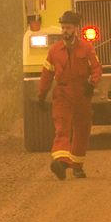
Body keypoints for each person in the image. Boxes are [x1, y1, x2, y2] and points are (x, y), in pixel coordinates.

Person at [38, 10, 102, 180]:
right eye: (63, 27)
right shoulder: (54, 51)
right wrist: (41, 95)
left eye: (68, 28)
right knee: (62, 128)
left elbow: (96, 69)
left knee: (82, 131)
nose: (65, 31)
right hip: (62, 95)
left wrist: (92, 84)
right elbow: (46, 74)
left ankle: (77, 166)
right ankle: (60, 163)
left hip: (82, 95)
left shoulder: (87, 48)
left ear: (76, 29)